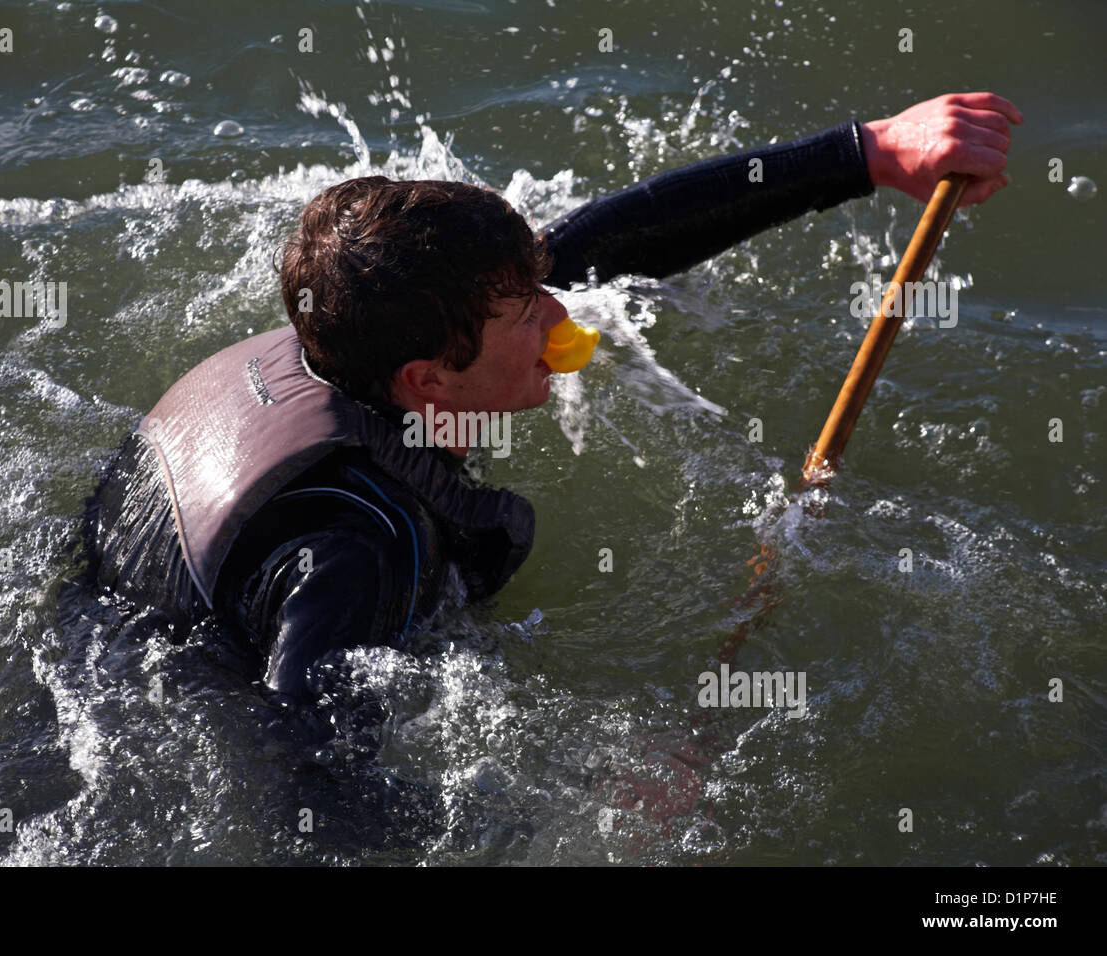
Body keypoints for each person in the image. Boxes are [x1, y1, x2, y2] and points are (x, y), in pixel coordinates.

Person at [85, 91, 1021, 706]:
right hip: (147, 684)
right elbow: (306, 780)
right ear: (430, 381)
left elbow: (617, 239)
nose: (562, 307)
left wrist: (868, 153)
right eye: (527, 307)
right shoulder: (358, 554)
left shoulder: (355, 330)